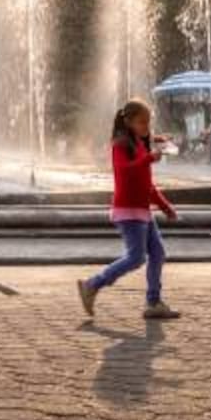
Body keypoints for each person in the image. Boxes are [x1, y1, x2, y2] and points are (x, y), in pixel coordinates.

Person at [76, 99, 182, 321]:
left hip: (143, 211)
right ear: (129, 122)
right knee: (135, 258)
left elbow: (147, 186)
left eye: (148, 122)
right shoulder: (120, 145)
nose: (146, 127)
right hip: (128, 211)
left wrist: (165, 207)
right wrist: (148, 159)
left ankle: (153, 302)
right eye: (142, 122)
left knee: (158, 253)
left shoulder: (140, 145)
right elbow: (124, 172)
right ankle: (92, 284)